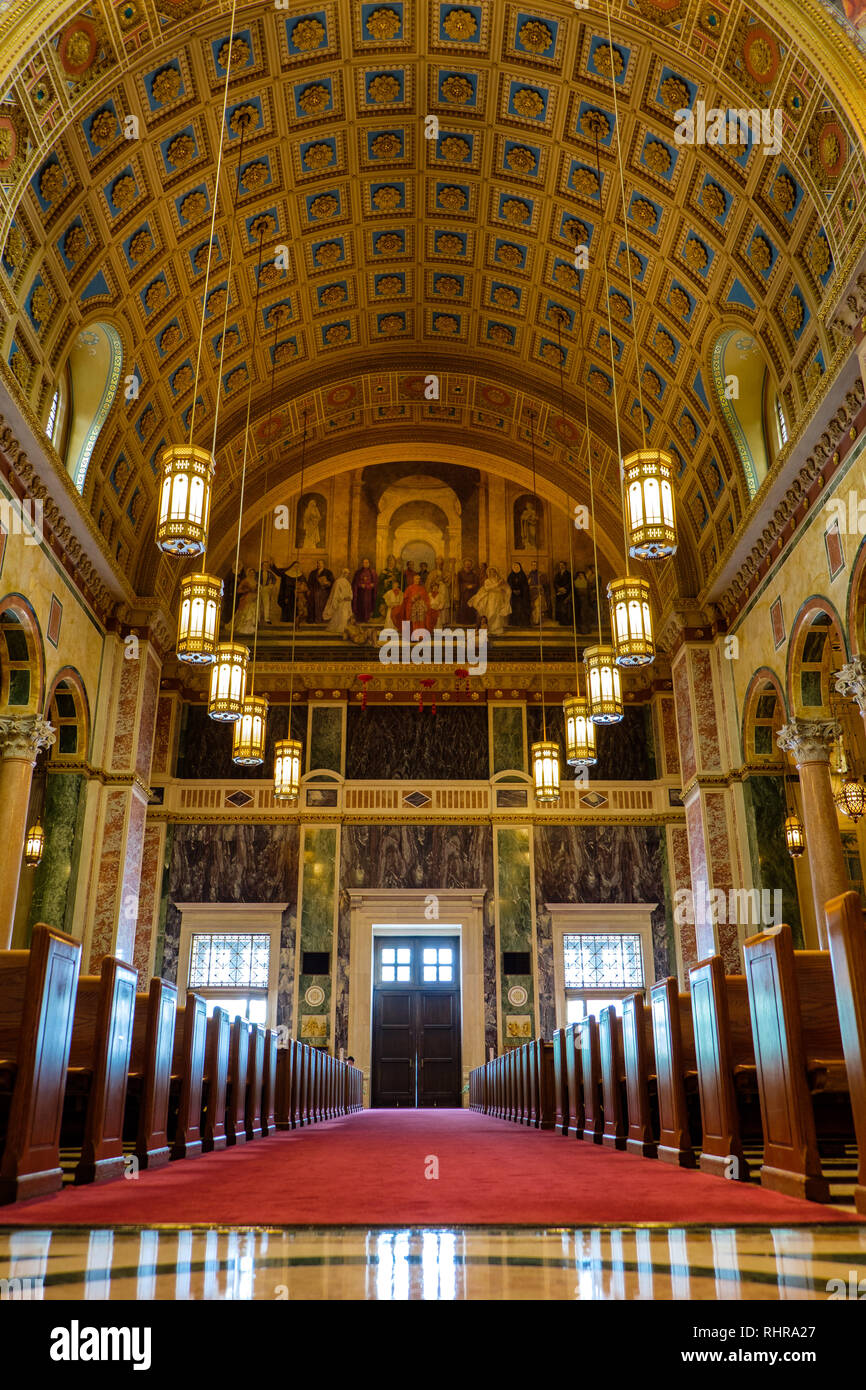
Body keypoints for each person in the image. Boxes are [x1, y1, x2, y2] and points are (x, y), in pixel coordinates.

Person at [470, 566, 511, 636]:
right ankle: (490, 629)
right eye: (490, 572)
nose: (492, 573)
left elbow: (506, 588)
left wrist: (503, 589)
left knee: (498, 613)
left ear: (496, 573)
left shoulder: (499, 580)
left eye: (493, 572)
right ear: (488, 573)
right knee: (491, 612)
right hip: (491, 598)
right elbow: (487, 588)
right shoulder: (487, 581)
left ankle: (497, 629)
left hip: (499, 598)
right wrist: (497, 585)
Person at [232, 566, 262, 635]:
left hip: (254, 599)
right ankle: (244, 628)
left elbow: (258, 590)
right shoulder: (245, 581)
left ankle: (251, 628)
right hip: (246, 599)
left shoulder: (256, 581)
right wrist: (246, 590)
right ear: (247, 573)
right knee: (246, 613)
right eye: (250, 573)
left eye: (253, 573)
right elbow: (238, 590)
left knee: (252, 613)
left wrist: (257, 591)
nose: (252, 574)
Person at [323, 568, 353, 632]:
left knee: (345, 615)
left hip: (346, 602)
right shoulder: (338, 582)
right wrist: (343, 597)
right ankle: (340, 629)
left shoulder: (347, 582)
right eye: (346, 573)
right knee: (340, 615)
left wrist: (350, 597)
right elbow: (336, 593)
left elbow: (350, 591)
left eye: (348, 573)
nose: (347, 575)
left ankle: (343, 628)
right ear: (343, 573)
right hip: (341, 602)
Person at [351, 557, 378, 622]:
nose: (365, 564)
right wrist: (360, 585)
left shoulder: (373, 572)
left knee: (368, 605)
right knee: (361, 604)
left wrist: (372, 585)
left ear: (369, 563)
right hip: (361, 592)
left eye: (367, 562)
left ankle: (368, 618)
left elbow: (375, 582)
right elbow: (355, 583)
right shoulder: (358, 572)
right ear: (362, 563)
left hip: (369, 593)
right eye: (364, 562)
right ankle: (361, 619)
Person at [507, 561, 531, 626]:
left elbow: (525, 586)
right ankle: (514, 623)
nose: (516, 567)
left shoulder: (523, 575)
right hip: (513, 596)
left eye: (517, 566)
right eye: (514, 566)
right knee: (514, 607)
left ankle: (523, 623)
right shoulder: (510, 576)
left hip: (522, 596)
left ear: (520, 567)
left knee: (522, 607)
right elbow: (509, 585)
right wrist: (513, 590)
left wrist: (520, 591)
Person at [456, 559, 479, 624]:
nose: (468, 566)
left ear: (471, 565)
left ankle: (471, 621)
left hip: (471, 593)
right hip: (463, 592)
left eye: (469, 564)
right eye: (466, 564)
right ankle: (462, 621)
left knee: (471, 606)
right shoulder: (460, 573)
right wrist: (465, 586)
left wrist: (472, 586)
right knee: (463, 606)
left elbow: (476, 583)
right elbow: (458, 583)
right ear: (464, 565)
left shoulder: (474, 574)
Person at [554, 561, 573, 626]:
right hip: (559, 593)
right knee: (560, 607)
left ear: (565, 566)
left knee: (566, 607)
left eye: (562, 565)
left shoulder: (569, 574)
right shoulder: (557, 574)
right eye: (560, 565)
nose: (561, 566)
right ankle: (561, 621)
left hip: (566, 593)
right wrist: (559, 588)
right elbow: (555, 583)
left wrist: (565, 588)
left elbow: (570, 583)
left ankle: (567, 622)